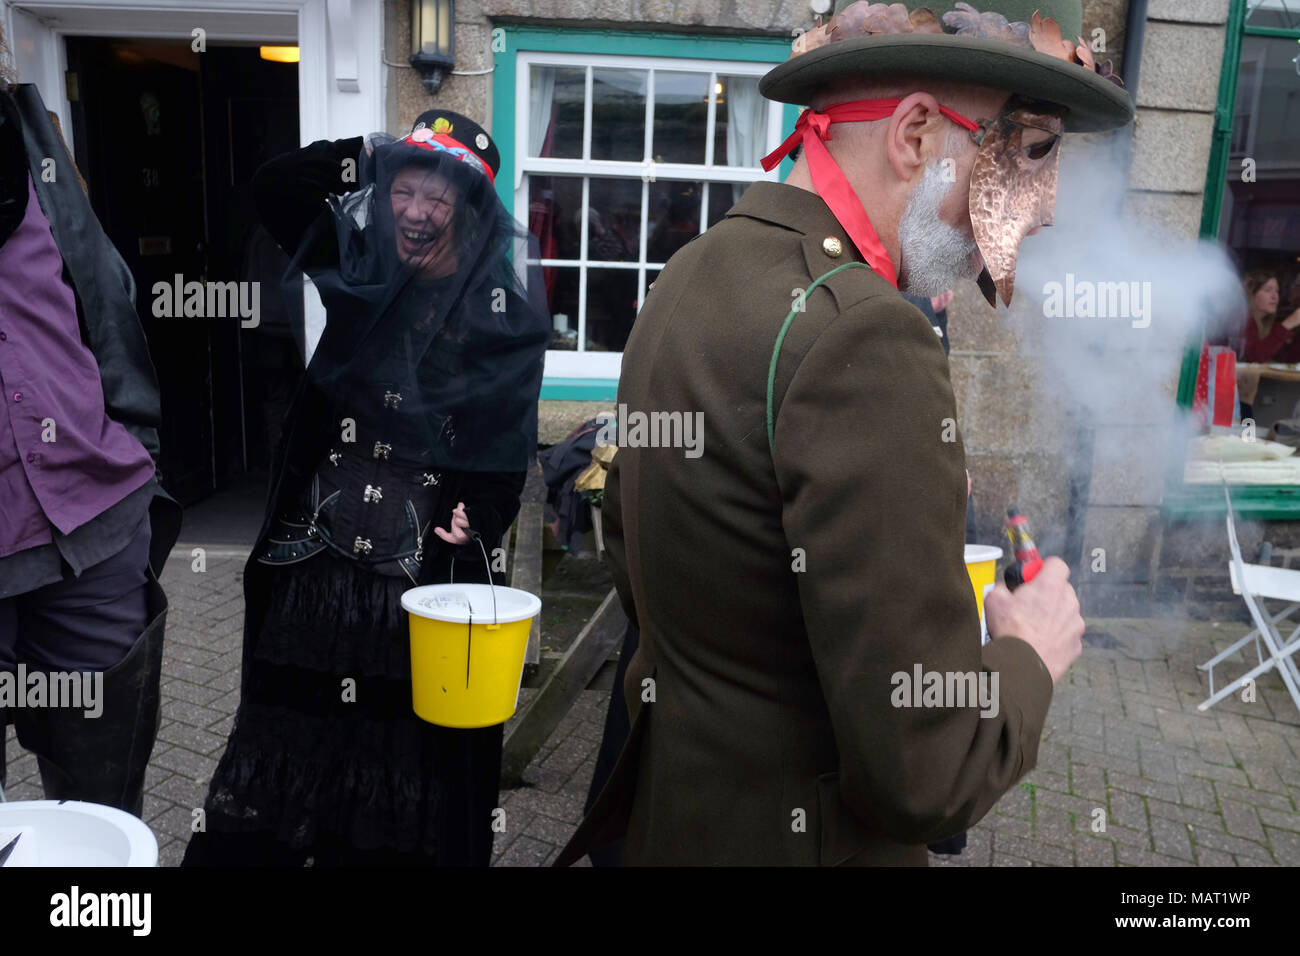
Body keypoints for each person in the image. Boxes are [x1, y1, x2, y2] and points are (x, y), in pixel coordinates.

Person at [558, 0, 1125, 867]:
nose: (1041, 211)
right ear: (915, 134)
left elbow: (654, 566)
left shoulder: (691, 269)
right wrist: (1028, 654)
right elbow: (925, 771)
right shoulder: (867, 335)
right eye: (1030, 150)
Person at [182, 110, 549, 866]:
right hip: (311, 561)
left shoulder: (500, 311)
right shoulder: (359, 261)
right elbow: (277, 187)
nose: (416, 212)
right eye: (403, 191)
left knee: (400, 760)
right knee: (286, 733)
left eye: (438, 199)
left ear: (472, 210)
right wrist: (369, 153)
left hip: (414, 585)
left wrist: (477, 516)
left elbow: (506, 450)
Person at [0, 48, 180, 813]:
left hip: (93, 527)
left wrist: (135, 448)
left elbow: (102, 293)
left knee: (101, 810)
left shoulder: (27, 132)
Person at [1239, 269, 1300, 364]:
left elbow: (1286, 359)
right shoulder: (1241, 321)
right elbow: (1255, 357)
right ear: (1250, 294)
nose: (1275, 296)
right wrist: (1288, 324)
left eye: (1277, 291)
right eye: (1268, 290)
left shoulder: (1266, 324)